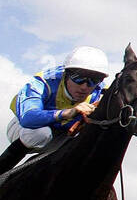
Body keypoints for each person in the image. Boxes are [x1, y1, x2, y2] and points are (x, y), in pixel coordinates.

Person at [0, 46, 110, 176]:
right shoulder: (42, 82)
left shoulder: (102, 92)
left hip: (62, 134)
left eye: (94, 80)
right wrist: (66, 113)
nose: (85, 86)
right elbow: (28, 118)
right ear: (66, 74)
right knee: (41, 134)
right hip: (25, 129)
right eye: (78, 78)